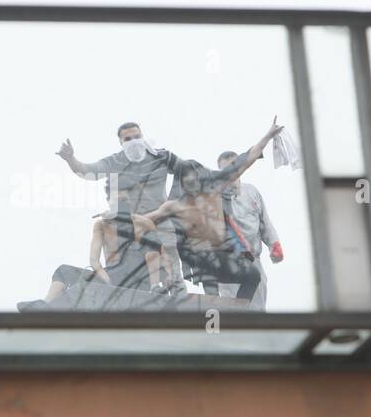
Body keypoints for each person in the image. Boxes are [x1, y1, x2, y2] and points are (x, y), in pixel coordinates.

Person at [56, 122, 256, 291]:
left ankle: (180, 301)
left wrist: (220, 179)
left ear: (142, 136)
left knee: (171, 267)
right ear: (121, 143)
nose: (134, 141)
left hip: (160, 222)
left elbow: (191, 169)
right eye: (128, 139)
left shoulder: (160, 157)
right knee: (134, 274)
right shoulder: (114, 162)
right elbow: (87, 170)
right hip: (130, 227)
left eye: (137, 136)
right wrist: (70, 159)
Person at [132, 119, 282, 308]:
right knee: (207, 271)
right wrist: (117, 216)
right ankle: (214, 304)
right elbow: (145, 220)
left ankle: (236, 310)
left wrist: (268, 136)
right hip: (197, 256)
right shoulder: (175, 205)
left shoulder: (215, 186)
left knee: (253, 275)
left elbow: (247, 159)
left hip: (223, 254)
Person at [17, 190, 162, 311]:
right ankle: (45, 304)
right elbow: (94, 260)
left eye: (123, 201)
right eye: (115, 201)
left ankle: (154, 287)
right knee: (64, 270)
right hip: (111, 274)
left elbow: (154, 253)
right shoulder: (101, 225)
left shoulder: (143, 223)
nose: (119, 204)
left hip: (136, 277)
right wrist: (106, 281)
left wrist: (155, 285)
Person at [213, 149, 285, 310]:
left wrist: (275, 244)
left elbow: (265, 221)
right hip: (230, 264)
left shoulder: (252, 191)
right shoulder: (215, 197)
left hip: (255, 261)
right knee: (234, 312)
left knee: (258, 310)